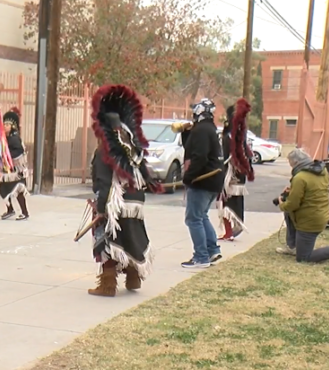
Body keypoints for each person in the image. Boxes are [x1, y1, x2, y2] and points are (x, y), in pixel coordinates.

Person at [87, 84, 162, 297]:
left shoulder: (106, 149)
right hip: (135, 202)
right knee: (129, 237)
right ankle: (133, 277)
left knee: (107, 240)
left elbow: (104, 182)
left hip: (116, 202)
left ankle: (108, 285)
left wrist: (101, 208)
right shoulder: (130, 145)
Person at [274, 148, 329, 264]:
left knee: (303, 258)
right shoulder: (323, 171)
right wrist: (293, 190)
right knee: (289, 214)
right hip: (321, 214)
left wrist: (282, 204)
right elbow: (313, 191)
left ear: (296, 163)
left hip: (309, 221)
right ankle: (292, 247)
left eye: (290, 163)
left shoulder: (300, 177)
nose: (290, 166)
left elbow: (292, 204)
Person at [180, 98, 225, 269]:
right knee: (201, 215)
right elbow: (192, 149)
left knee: (193, 218)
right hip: (213, 180)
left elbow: (199, 157)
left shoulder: (202, 130)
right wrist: (186, 133)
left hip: (203, 180)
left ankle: (201, 257)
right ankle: (212, 249)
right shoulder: (209, 129)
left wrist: (188, 177)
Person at [217, 98, 255, 241]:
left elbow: (239, 154)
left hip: (232, 174)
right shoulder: (236, 134)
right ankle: (230, 230)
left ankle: (231, 230)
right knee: (227, 201)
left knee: (228, 201)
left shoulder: (233, 136)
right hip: (234, 172)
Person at [0, 108, 30, 220]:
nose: (5, 126)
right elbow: (0, 151)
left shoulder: (14, 139)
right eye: (4, 124)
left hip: (17, 170)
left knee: (18, 190)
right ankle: (10, 210)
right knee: (4, 189)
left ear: (13, 126)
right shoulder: (4, 139)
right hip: (8, 170)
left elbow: (18, 152)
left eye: (7, 125)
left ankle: (25, 212)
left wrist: (7, 155)